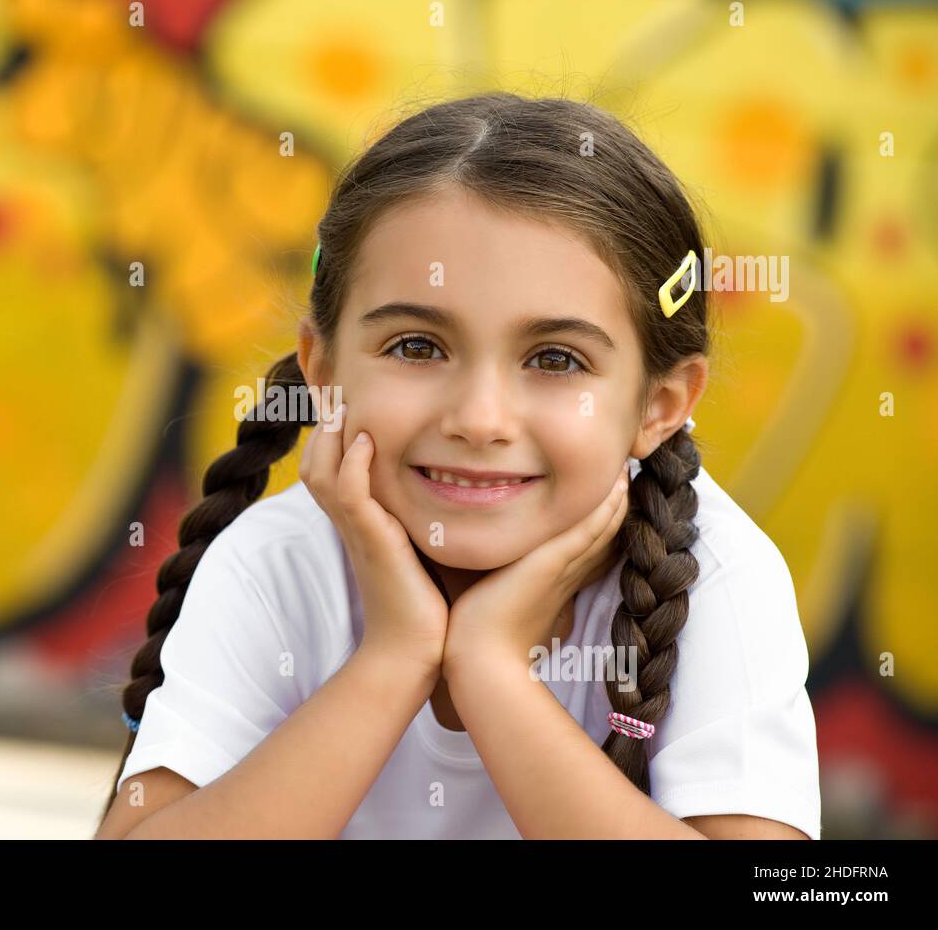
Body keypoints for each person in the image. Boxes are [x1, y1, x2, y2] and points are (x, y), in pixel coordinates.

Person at [95, 91, 820, 839]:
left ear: (660, 405)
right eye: (417, 346)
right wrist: (395, 655)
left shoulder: (718, 579)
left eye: (555, 359)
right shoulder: (278, 564)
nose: (478, 419)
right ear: (324, 370)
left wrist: (490, 672)